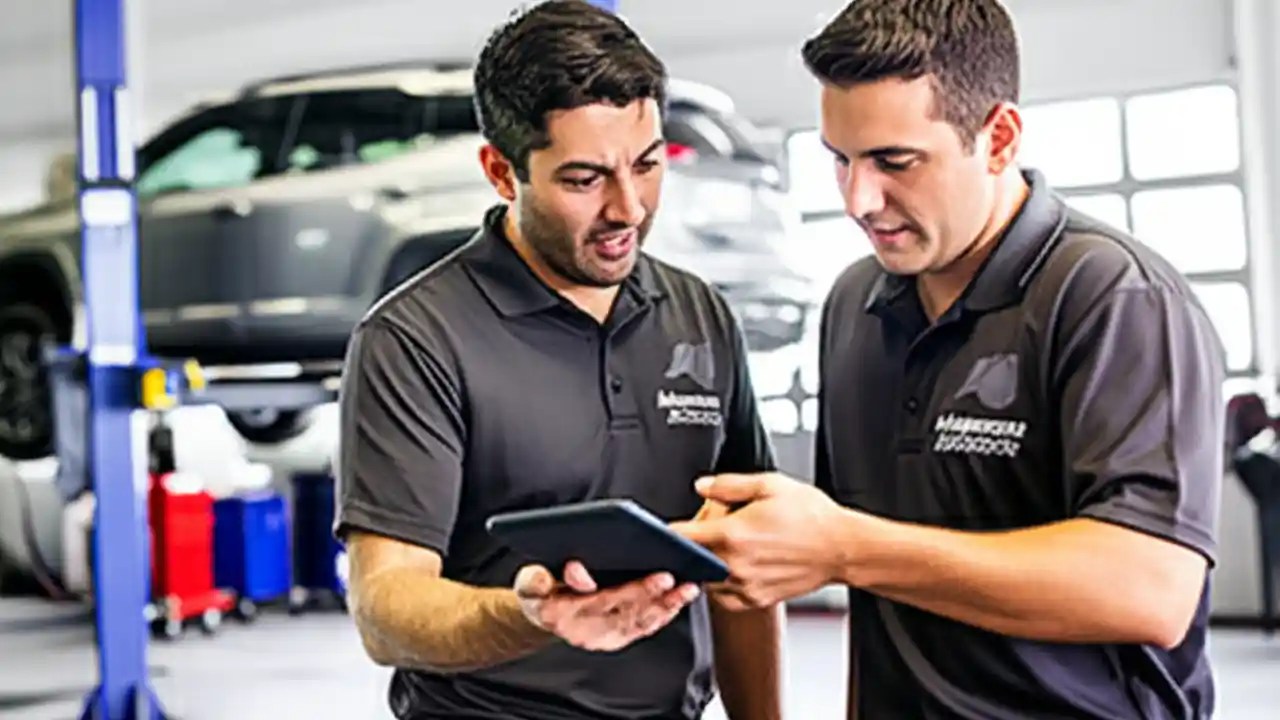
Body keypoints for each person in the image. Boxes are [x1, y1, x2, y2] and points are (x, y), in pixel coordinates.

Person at [673, 1, 1226, 718]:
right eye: (839, 160)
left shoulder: (1114, 299)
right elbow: (882, 607)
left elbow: (1151, 589)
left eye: (894, 162)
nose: (858, 199)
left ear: (997, 138)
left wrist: (844, 548)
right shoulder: (854, 305)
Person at [333, 2, 783, 719]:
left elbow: (742, 568)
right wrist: (531, 617)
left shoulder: (700, 315)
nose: (628, 208)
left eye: (647, 164)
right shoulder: (416, 337)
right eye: (584, 180)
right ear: (501, 171)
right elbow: (386, 607)